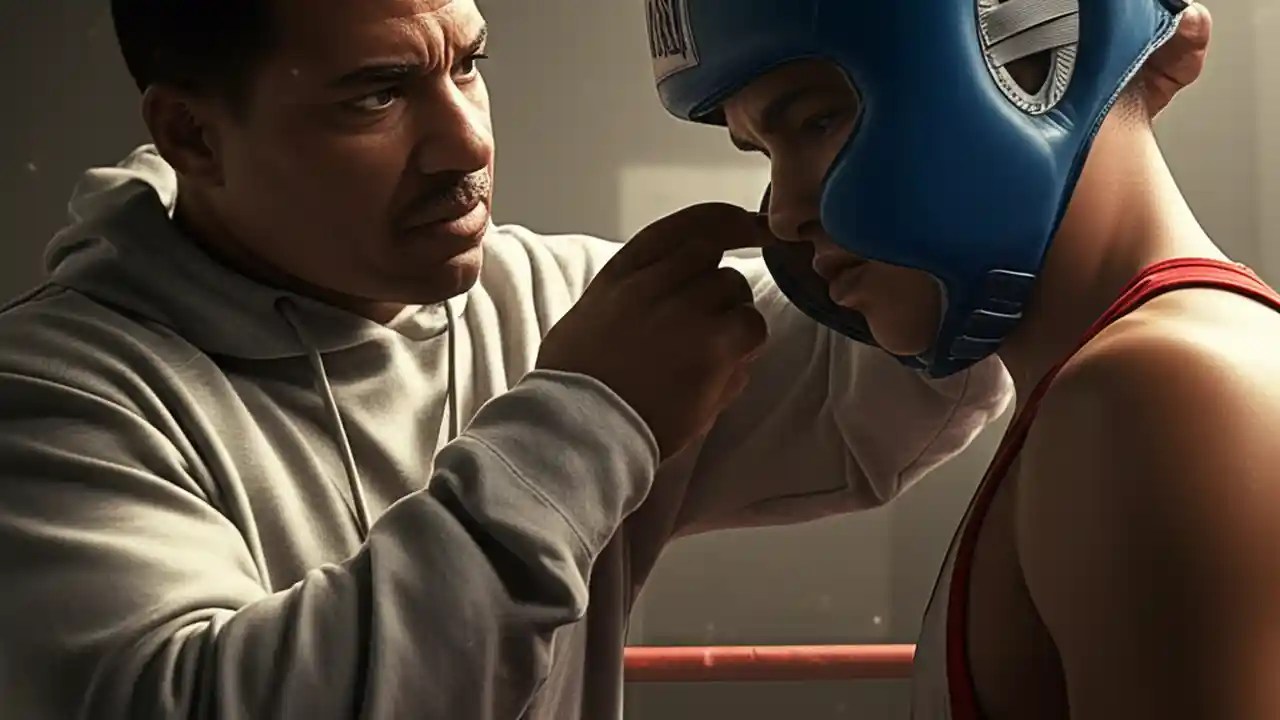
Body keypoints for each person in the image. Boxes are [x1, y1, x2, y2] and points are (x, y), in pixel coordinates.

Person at [0, 1, 1017, 719]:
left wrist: (978, 116)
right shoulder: (55, 396)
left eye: (467, 63)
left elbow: (899, 372)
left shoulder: (552, 301)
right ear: (194, 136)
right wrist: (587, 420)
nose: (463, 145)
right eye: (376, 96)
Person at [649, 0, 1280, 717]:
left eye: (818, 122)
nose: (785, 212)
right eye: (767, 153)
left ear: (1035, 69)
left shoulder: (1155, 397)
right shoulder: (1121, 383)